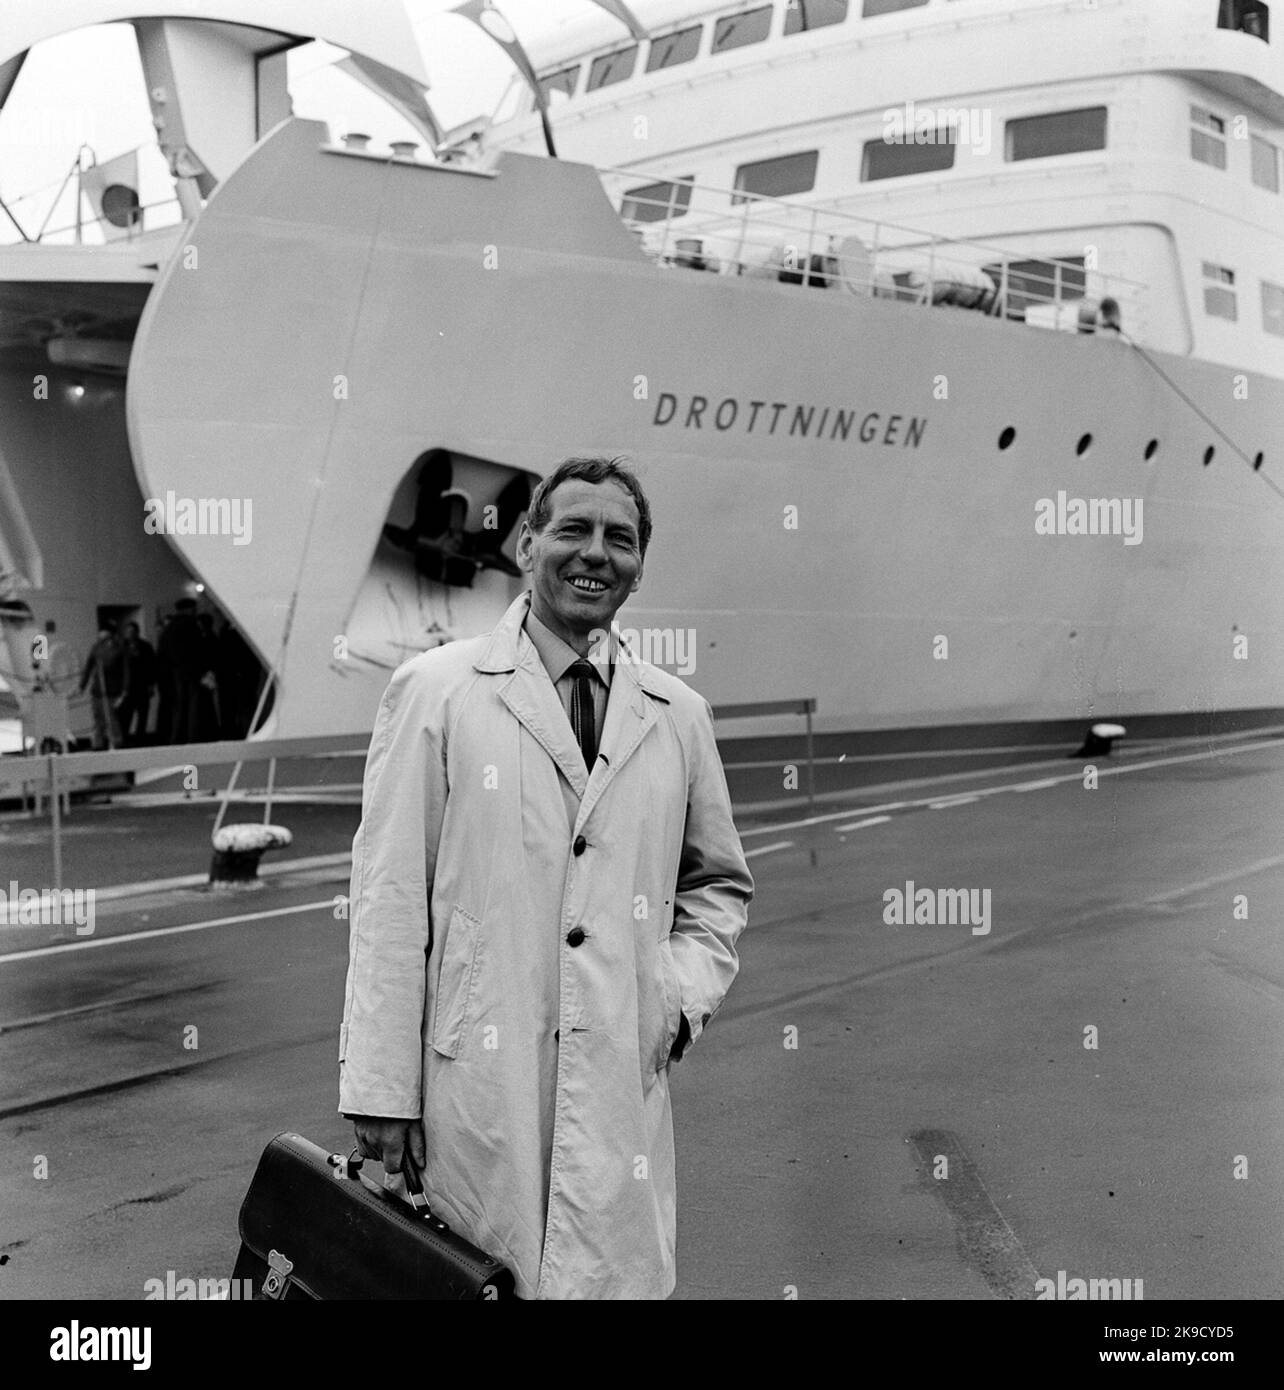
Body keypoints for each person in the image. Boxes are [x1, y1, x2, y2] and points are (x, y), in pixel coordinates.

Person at [339, 455, 753, 1300]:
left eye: (620, 539)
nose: (595, 554)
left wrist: (670, 1001)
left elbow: (717, 886)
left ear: (640, 565)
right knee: (472, 1277)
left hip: (617, 1082)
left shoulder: (678, 716)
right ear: (528, 542)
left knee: (610, 1279)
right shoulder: (438, 691)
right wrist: (382, 1090)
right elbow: (389, 898)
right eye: (573, 529)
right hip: (477, 1089)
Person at [78, 620, 125, 750]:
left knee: (111, 719)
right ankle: (97, 745)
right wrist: (82, 685)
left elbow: (121, 668)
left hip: (111, 691)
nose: (100, 634)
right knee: (97, 719)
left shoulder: (117, 648)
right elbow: (89, 667)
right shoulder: (96, 647)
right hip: (97, 690)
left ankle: (116, 743)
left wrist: (123, 692)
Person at [116, 622, 156, 745]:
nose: (131, 634)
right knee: (126, 716)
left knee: (142, 715)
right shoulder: (121, 647)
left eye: (133, 632)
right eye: (128, 632)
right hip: (128, 688)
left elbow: (152, 666)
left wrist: (151, 684)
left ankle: (140, 739)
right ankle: (125, 739)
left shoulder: (146, 647)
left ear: (137, 633)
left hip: (142, 686)